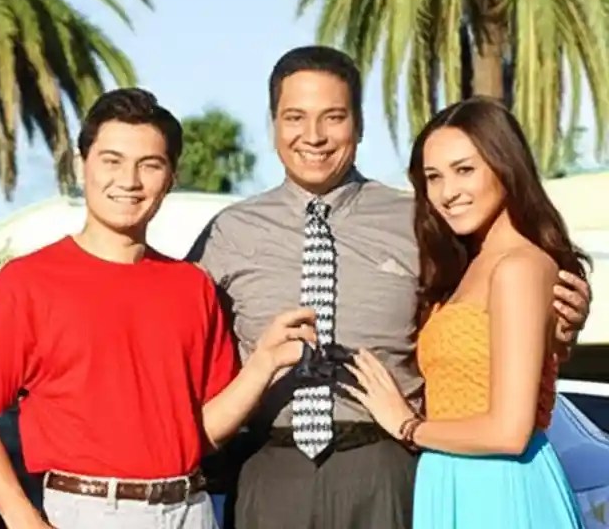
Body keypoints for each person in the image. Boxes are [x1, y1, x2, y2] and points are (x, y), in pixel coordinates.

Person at [186, 45, 592, 529]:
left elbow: (489, 313)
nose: (313, 136)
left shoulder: (426, 220)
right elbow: (177, 344)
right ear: (273, 123)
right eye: (295, 117)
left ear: (359, 125)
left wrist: (561, 326)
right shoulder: (226, 233)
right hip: (271, 473)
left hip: (390, 468)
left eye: (333, 117)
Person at [0, 88, 319, 529]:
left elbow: (200, 433)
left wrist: (264, 363)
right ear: (80, 165)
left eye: (150, 164)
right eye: (112, 160)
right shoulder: (28, 282)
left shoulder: (192, 286)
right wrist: (20, 516)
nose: (129, 180)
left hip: (190, 510)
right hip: (84, 512)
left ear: (171, 177)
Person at [342, 97, 586, 528]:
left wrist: (406, 425)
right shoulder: (467, 266)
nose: (447, 192)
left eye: (464, 169)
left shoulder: (519, 266)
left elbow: (509, 432)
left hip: (502, 489)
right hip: (451, 479)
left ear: (505, 165)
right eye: (433, 177)